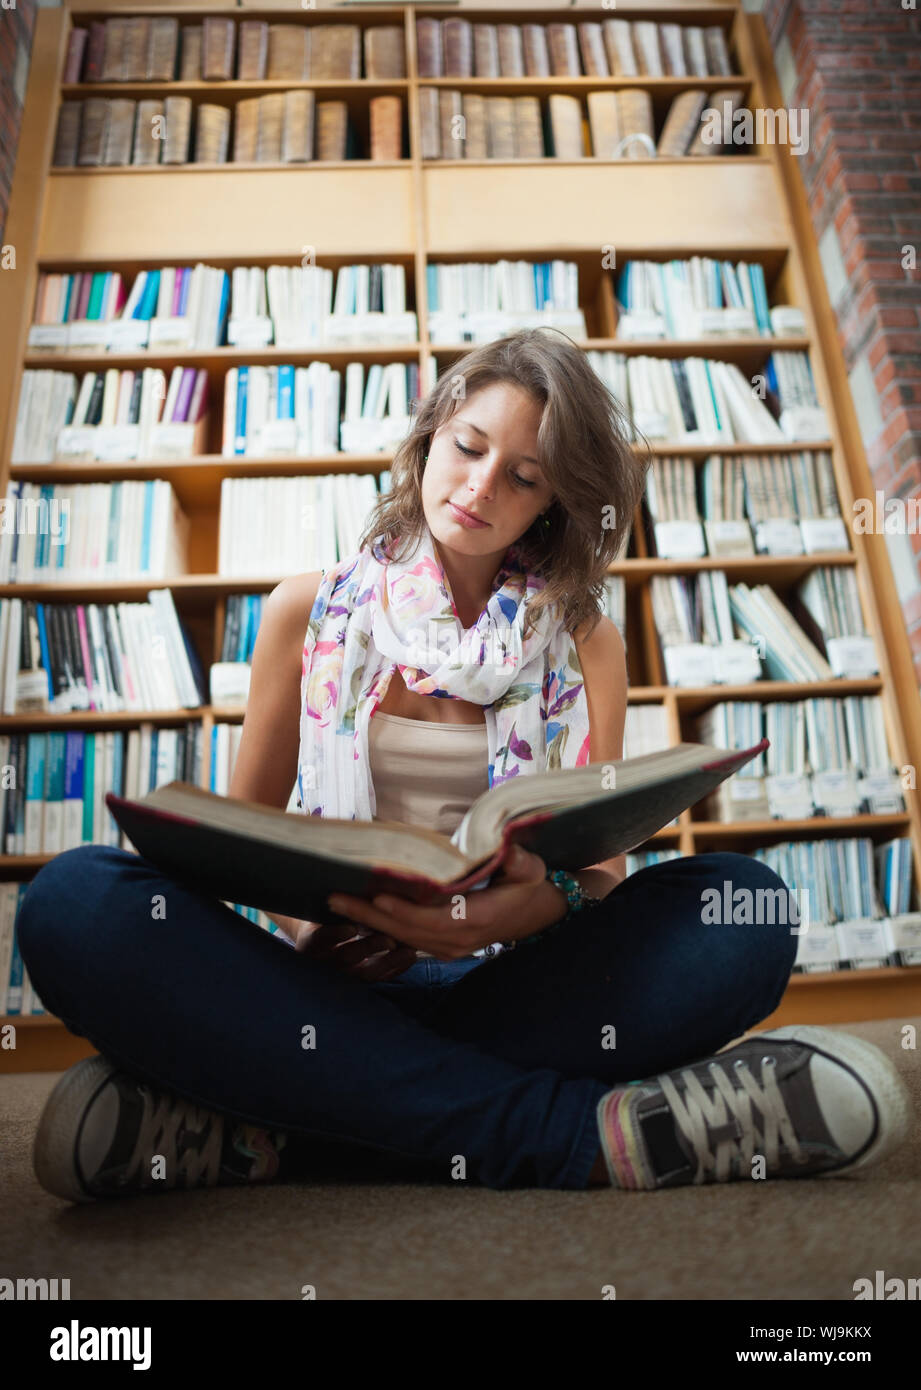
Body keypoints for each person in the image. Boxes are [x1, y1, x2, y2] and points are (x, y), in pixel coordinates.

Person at [18, 329, 911, 1201]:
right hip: (324, 990)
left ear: (551, 503)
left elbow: (600, 871)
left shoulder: (585, 642)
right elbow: (230, 850)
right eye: (468, 448)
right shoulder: (305, 612)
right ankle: (574, 1133)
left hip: (515, 985)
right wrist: (304, 930)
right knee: (77, 904)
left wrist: (533, 906)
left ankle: (270, 1124)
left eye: (522, 477)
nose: (481, 486)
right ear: (430, 434)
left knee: (739, 912)